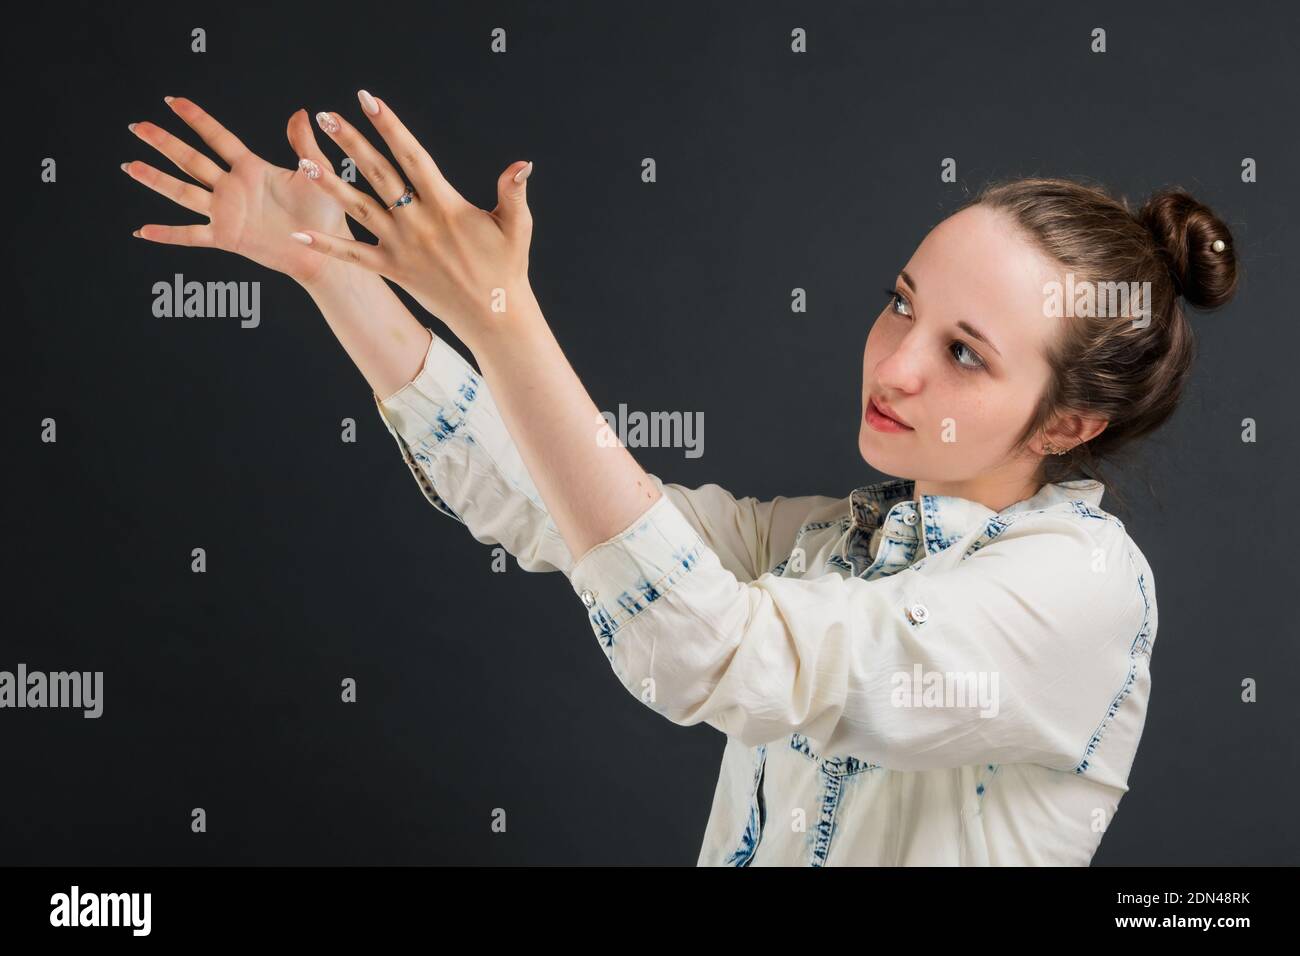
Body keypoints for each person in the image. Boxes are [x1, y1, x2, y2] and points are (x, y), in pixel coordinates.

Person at [125, 93, 1239, 866]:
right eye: (901, 301)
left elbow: (711, 649)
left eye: (964, 351)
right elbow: (558, 503)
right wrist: (335, 272)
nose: (894, 361)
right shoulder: (833, 544)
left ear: (1070, 419)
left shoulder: (1078, 590)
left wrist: (504, 316)